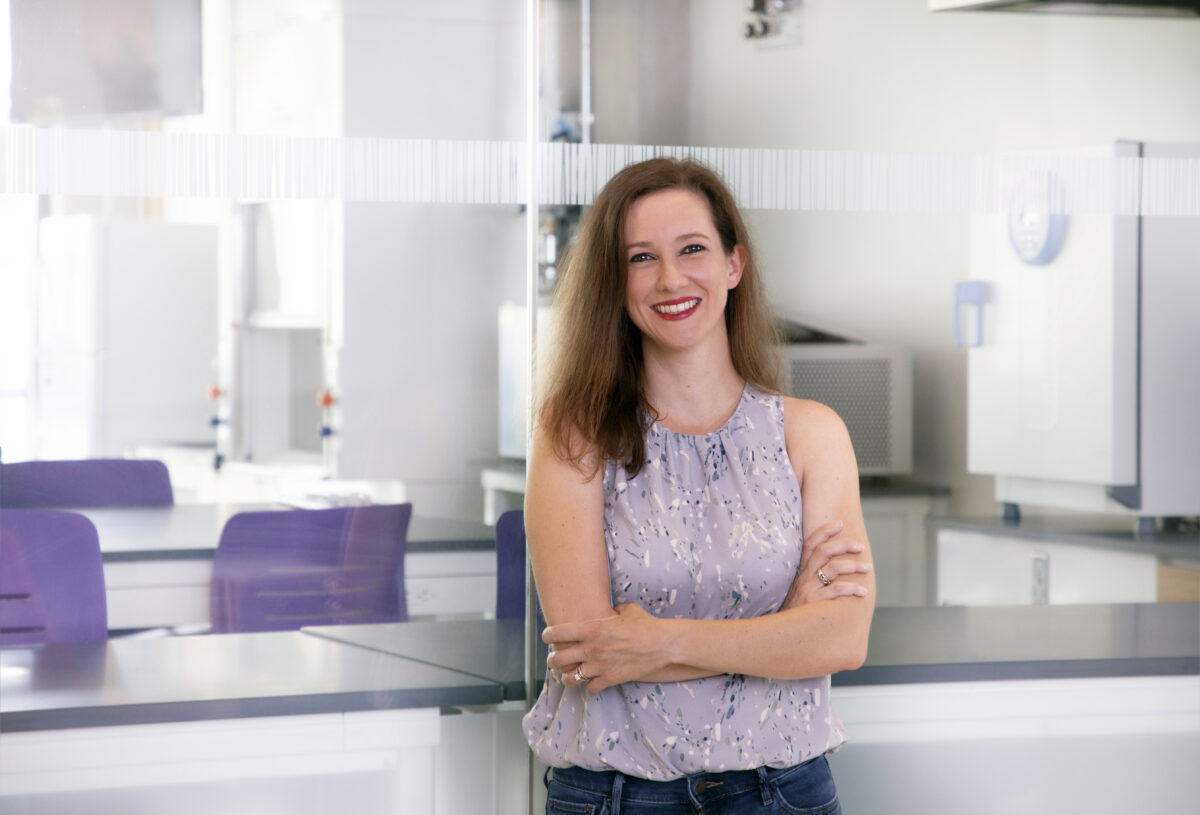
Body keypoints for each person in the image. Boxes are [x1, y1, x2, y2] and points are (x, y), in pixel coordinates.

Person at [522, 157, 875, 814]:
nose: (671, 278)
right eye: (640, 258)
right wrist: (780, 630)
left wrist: (657, 641)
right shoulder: (574, 436)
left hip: (782, 792)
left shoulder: (811, 433)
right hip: (616, 798)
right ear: (614, 281)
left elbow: (842, 638)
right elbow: (591, 656)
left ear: (734, 264)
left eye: (692, 249)